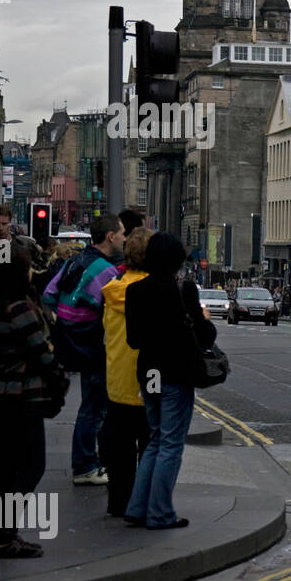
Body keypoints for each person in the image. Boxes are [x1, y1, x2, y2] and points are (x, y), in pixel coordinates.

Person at [125, 233, 218, 529]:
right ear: (177, 260)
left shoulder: (135, 290)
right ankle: (160, 513)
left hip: (149, 373)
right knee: (171, 443)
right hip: (176, 374)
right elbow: (204, 336)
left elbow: (134, 339)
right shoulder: (184, 290)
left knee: (154, 438)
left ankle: (138, 508)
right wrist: (203, 318)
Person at [0, 239, 69, 558]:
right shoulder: (19, 307)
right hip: (22, 396)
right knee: (32, 466)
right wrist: (60, 382)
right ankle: (5, 534)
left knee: (4, 467)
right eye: (27, 266)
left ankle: (1, 538)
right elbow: (41, 354)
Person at [43, 213, 126, 486]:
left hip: (73, 344)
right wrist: (87, 320)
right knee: (94, 408)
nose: (124, 239)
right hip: (94, 346)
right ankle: (85, 466)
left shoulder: (73, 261)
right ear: (111, 236)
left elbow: (49, 295)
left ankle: (89, 463)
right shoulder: (106, 271)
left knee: (91, 406)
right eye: (122, 233)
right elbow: (112, 310)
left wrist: (66, 319)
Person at [98, 227, 154, 517]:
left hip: (117, 379)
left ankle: (118, 502)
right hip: (150, 382)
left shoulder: (113, 290)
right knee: (149, 447)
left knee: (119, 450)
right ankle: (142, 504)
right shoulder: (155, 291)